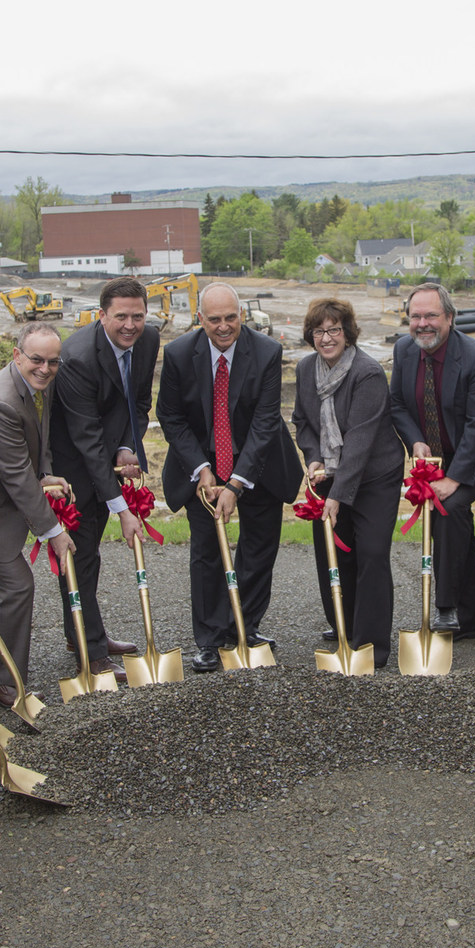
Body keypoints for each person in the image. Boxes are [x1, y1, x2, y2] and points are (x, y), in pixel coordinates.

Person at [157, 283, 303, 673]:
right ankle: (209, 639)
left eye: (231, 318)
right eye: (215, 319)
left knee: (259, 548)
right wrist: (202, 470)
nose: (224, 327)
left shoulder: (267, 351)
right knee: (206, 552)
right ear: (200, 319)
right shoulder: (178, 354)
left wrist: (236, 484)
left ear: (242, 315)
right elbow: (170, 416)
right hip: (201, 459)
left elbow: (265, 422)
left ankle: (244, 626)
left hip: (259, 459)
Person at [0, 321, 102, 716]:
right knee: (17, 586)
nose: (45, 368)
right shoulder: (1, 402)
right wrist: (53, 531)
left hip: (8, 494)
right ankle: (0, 681)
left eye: (53, 361)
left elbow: (39, 441)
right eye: (36, 360)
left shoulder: (40, 383)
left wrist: (46, 474)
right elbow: (16, 478)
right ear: (17, 355)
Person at [386, 282, 475, 640]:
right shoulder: (404, 350)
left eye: (431, 315)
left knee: (450, 509)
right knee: (457, 522)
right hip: (432, 455)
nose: (422, 323)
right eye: (415, 316)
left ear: (450, 318)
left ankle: (446, 606)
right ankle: (471, 620)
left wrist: (454, 478)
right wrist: (415, 441)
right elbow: (397, 404)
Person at [47, 278, 154, 667]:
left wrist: (128, 445)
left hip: (107, 450)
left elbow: (138, 402)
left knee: (89, 552)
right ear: (102, 315)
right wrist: (121, 508)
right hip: (71, 465)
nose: (130, 325)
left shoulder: (148, 340)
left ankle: (81, 633)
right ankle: (91, 652)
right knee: (80, 556)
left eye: (137, 316)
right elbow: (87, 439)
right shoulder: (77, 358)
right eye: (121, 316)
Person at [292, 298, 401, 662]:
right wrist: (313, 458)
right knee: (334, 553)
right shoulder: (305, 369)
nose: (326, 338)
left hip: (374, 476)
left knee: (371, 552)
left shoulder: (367, 373)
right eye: (319, 331)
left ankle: (371, 646)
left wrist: (336, 497)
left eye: (334, 330)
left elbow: (359, 441)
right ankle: (346, 626)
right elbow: (302, 422)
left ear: (348, 333)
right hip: (328, 473)